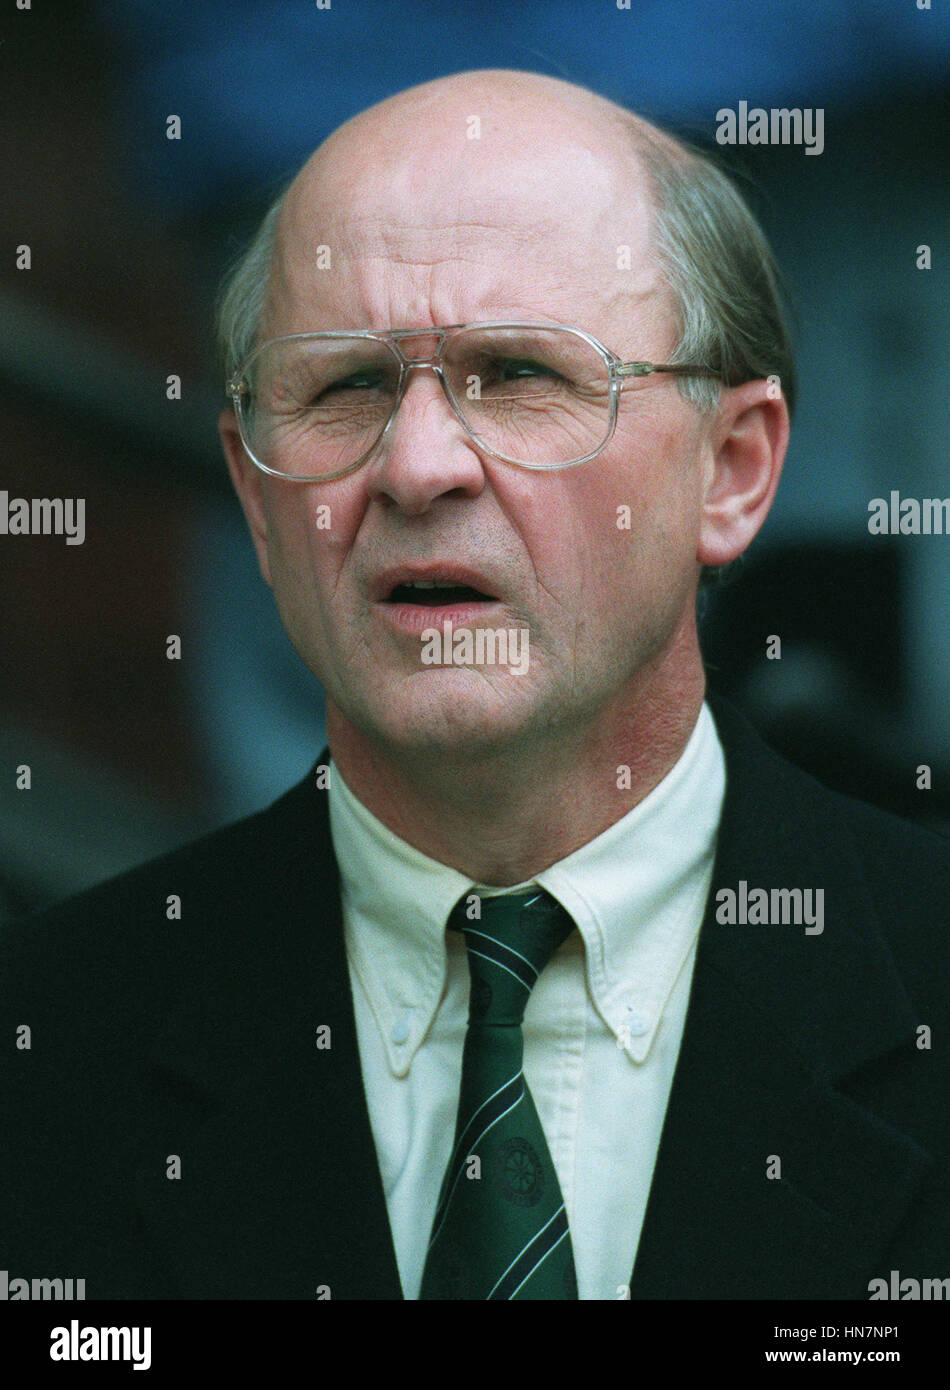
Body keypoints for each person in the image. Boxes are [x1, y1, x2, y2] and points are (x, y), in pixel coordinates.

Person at [2, 69, 948, 1302]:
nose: (417, 465)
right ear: (255, 500)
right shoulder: (45, 1054)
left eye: (517, 374)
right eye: (342, 387)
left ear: (730, 469)